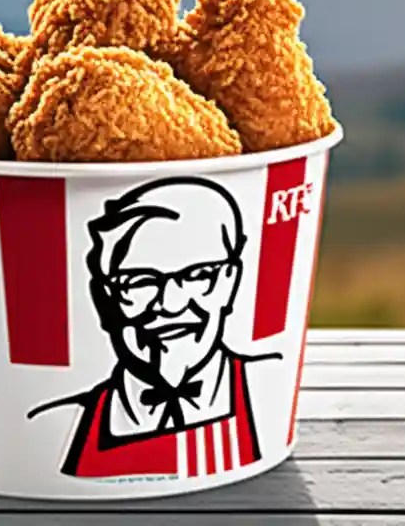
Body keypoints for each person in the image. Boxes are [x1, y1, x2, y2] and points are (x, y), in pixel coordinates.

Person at [30, 177, 277, 478]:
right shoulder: (58, 424)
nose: (171, 304)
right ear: (105, 299)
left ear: (230, 282)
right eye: (140, 282)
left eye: (198, 275)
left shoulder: (267, 386)